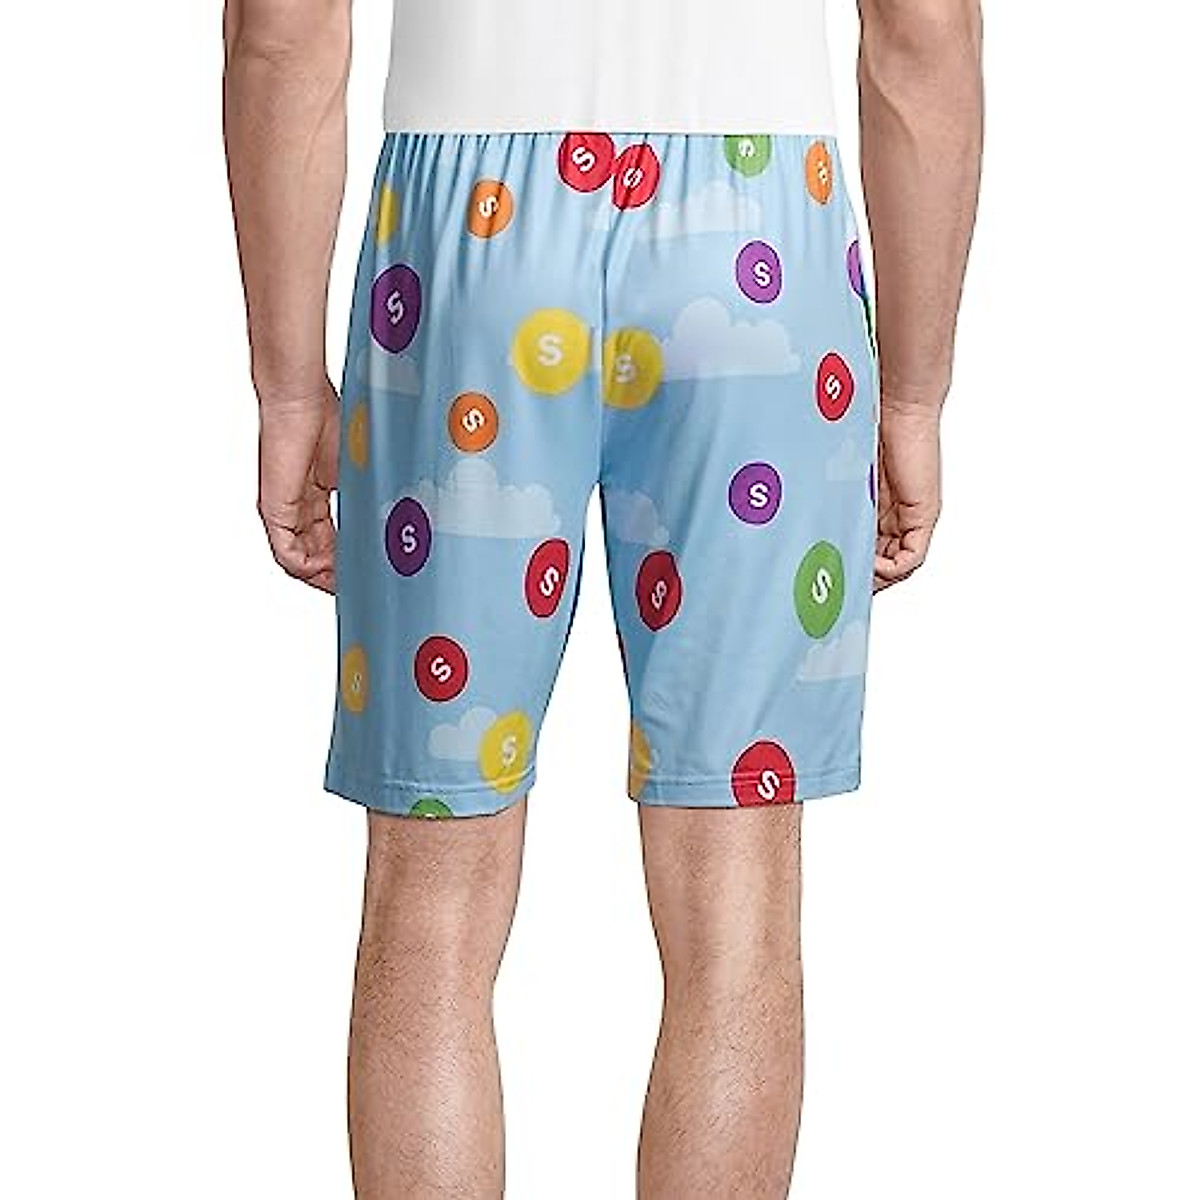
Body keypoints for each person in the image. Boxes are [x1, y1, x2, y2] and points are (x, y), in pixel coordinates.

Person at [224, 0, 982, 1192]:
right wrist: (915, 396)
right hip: (758, 238)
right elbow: (926, 29)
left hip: (466, 234)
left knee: (431, 903)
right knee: (735, 911)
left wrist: (284, 385)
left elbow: (282, 31)